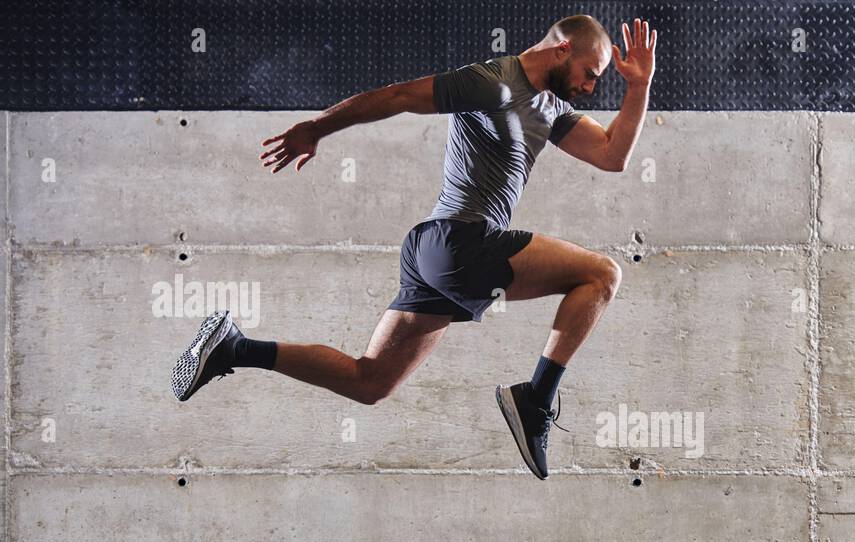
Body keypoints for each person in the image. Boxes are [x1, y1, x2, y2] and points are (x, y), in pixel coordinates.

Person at [171, 14, 657, 479]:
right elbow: (400, 95)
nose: (593, 86)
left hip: (434, 253)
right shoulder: (494, 81)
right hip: (461, 241)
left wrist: (639, 86)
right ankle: (536, 400)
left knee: (370, 382)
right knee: (602, 275)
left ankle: (234, 347)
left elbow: (613, 155)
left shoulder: (552, 108)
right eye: (591, 74)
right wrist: (316, 128)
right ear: (562, 48)